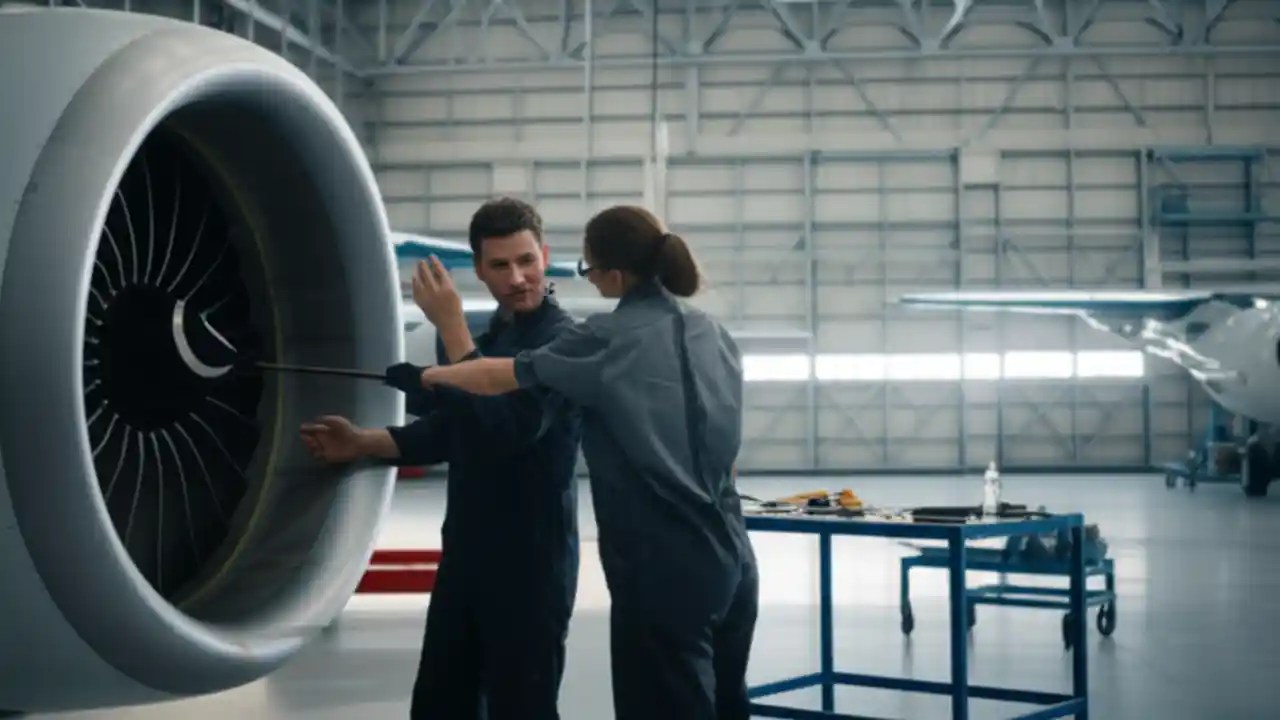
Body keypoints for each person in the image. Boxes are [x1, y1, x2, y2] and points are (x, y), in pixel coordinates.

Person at [409, 205, 759, 720]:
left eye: (588, 270)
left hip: (662, 570)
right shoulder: (711, 330)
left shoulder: (604, 338)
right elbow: (728, 460)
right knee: (726, 706)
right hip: (733, 558)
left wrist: (433, 372)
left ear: (613, 275)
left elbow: (495, 385)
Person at [299, 197, 582, 720]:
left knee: (522, 708)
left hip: (530, 566)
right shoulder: (497, 338)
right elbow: (455, 432)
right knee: (439, 705)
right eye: (500, 265)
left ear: (544, 254)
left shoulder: (563, 343)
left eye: (527, 260)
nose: (518, 277)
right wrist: (364, 442)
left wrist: (452, 330)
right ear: (478, 269)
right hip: (468, 557)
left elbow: (506, 430)